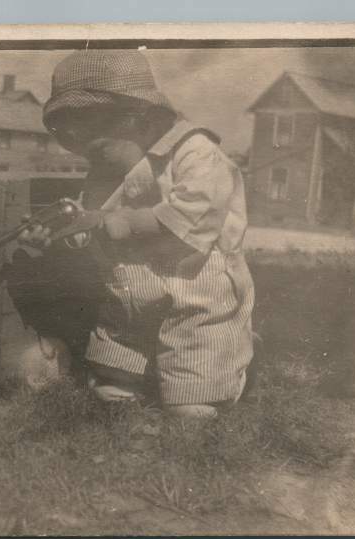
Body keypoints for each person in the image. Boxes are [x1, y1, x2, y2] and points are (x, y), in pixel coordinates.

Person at [20, 50, 254, 418]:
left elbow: (189, 220)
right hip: (129, 299)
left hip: (193, 297)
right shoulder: (105, 170)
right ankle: (139, 383)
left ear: (138, 118)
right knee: (111, 388)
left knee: (191, 407)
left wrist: (113, 222)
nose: (94, 162)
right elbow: (90, 225)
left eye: (99, 149)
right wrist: (62, 233)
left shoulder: (197, 154)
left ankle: (221, 378)